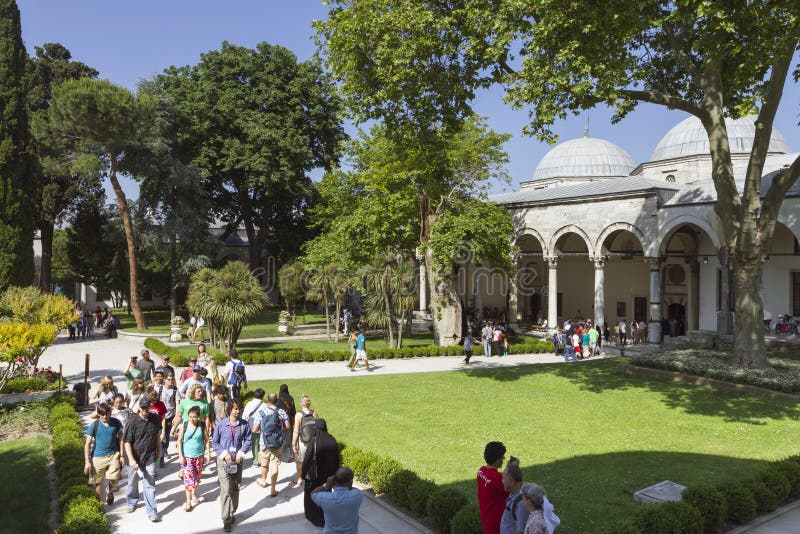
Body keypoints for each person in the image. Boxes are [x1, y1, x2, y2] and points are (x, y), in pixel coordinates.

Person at [211, 398, 252, 532]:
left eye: (239, 408)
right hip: (224, 462)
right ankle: (226, 519)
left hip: (237, 462)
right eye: (235, 408)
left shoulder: (244, 425)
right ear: (230, 410)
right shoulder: (221, 425)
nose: (237, 411)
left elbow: (248, 440)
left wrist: (241, 453)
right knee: (226, 490)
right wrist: (223, 454)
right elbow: (215, 442)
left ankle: (232, 511)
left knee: (235, 488)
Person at [123, 397, 162, 522]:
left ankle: (152, 512)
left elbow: (157, 435)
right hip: (134, 458)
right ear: (139, 408)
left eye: (147, 408)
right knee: (132, 481)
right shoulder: (132, 422)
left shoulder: (154, 418)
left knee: (150, 484)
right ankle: (131, 501)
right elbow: (127, 443)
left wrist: (159, 451)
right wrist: (131, 459)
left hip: (150, 456)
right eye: (143, 408)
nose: (145, 410)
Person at [303, 419, 342, 528]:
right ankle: (326, 517)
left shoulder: (314, 441)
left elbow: (307, 459)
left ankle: (314, 517)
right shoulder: (332, 439)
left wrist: (303, 473)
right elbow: (337, 459)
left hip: (314, 477)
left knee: (313, 495)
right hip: (328, 476)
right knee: (326, 495)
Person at [83, 402, 124, 504]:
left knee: (114, 478)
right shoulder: (94, 425)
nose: (104, 417)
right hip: (97, 456)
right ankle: (99, 503)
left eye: (106, 414)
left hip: (113, 454)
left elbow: (121, 439)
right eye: (102, 415)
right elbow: (87, 444)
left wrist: (122, 455)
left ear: (110, 412)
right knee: (98, 482)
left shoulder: (116, 422)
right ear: (98, 414)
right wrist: (87, 462)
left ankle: (110, 492)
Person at [253, 392, 290, 497]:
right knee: (274, 465)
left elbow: (254, 429)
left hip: (264, 443)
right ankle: (273, 489)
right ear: (276, 400)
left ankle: (263, 481)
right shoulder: (281, 412)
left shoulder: (261, 412)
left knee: (264, 463)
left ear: (267, 400)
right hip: (277, 442)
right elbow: (287, 426)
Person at [176, 405, 211, 512]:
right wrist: (180, 456)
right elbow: (179, 441)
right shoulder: (184, 425)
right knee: (188, 480)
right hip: (187, 457)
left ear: (198, 417)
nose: (192, 419)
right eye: (190, 416)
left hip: (199, 456)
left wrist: (208, 453)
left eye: (194, 417)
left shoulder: (202, 425)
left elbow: (207, 440)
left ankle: (194, 493)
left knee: (196, 477)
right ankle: (188, 502)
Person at [311, 467, 364, 534]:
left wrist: (326, 486)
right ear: (351, 481)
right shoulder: (358, 495)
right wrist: (348, 485)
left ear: (335, 481)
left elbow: (313, 494)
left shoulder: (324, 498)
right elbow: (354, 489)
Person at [478, 441, 508, 534]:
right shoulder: (498, 480)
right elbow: (512, 489)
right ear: (498, 460)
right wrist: (513, 469)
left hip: (486, 520)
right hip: (497, 525)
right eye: (503, 457)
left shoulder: (481, 471)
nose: (503, 459)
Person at [293, 393, 318, 487]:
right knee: (312, 459)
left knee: (300, 461)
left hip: (303, 441)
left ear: (302, 404)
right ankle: (311, 476)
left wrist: (293, 444)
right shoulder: (314, 413)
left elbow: (296, 431)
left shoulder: (299, 415)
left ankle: (299, 479)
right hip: (313, 440)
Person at [500, 461, 529, 534]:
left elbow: (521, 530)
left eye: (504, 478)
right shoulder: (513, 492)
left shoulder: (522, 503)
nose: (502, 481)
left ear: (512, 482)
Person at [157, 372, 178, 467]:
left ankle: (164, 450)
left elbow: (177, 404)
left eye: (172, 379)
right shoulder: (160, 388)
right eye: (169, 379)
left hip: (170, 416)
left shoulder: (175, 390)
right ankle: (161, 457)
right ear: (165, 379)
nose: (170, 381)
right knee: (161, 435)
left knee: (166, 436)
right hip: (160, 416)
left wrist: (176, 417)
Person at [242, 388, 266, 469]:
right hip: (262, 427)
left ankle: (256, 460)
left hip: (251, 426)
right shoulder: (264, 405)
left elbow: (244, 416)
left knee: (254, 443)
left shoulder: (249, 404)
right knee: (261, 443)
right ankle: (261, 459)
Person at [278, 384, 297, 462]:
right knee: (289, 438)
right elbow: (294, 410)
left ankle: (283, 456)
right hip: (289, 420)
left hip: (281, 422)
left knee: (283, 438)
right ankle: (289, 455)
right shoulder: (290, 398)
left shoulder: (279, 399)